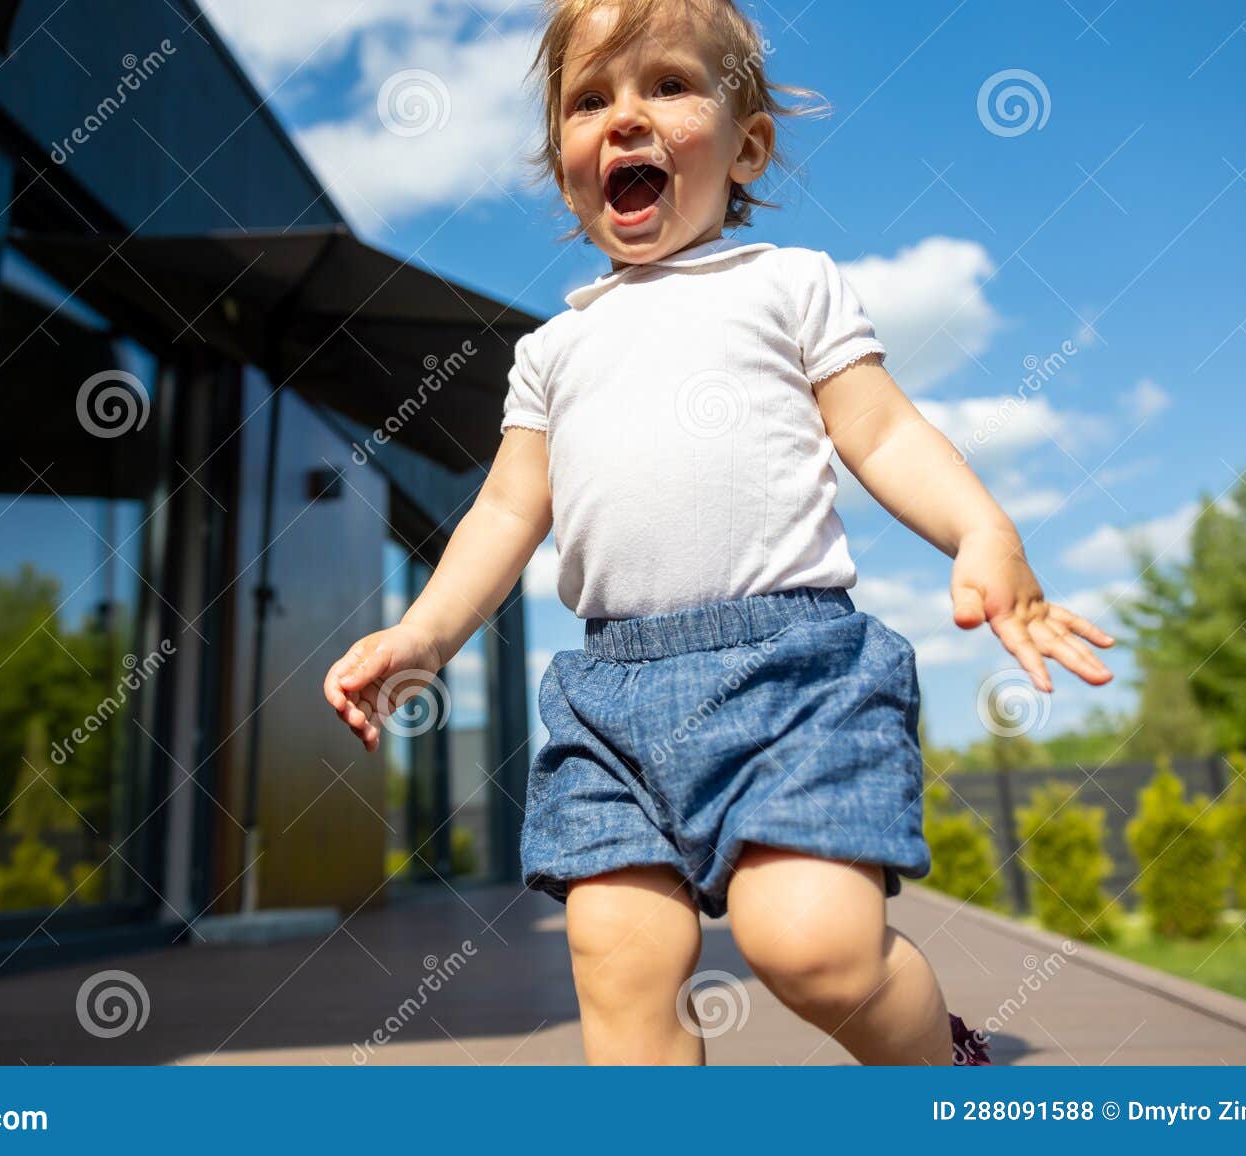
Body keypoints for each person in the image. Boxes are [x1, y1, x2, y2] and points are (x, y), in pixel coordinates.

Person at [323, 0, 1112, 1066]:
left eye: (668, 86)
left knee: (813, 948)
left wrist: (982, 528)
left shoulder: (787, 284)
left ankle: (943, 1072)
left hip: (792, 678)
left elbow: (882, 433)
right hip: (609, 702)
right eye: (589, 101)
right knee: (618, 965)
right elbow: (506, 511)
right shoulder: (553, 351)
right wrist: (422, 634)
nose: (624, 117)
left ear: (747, 147)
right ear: (564, 167)